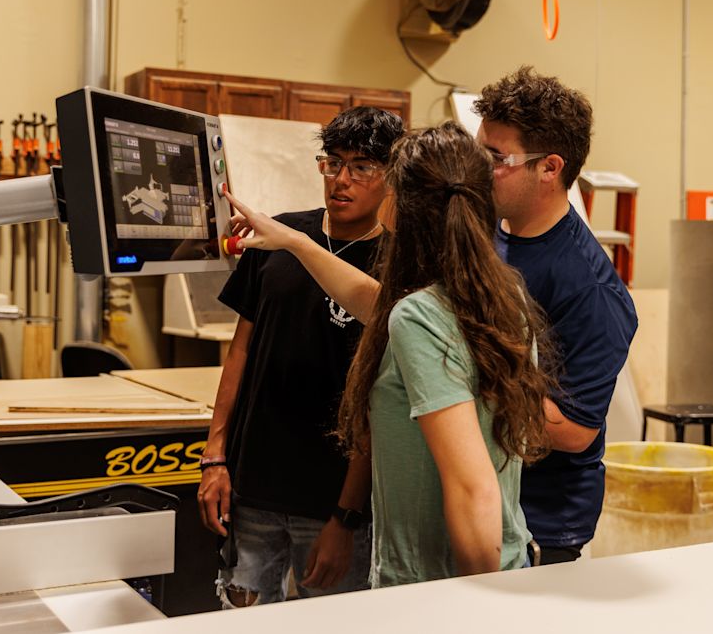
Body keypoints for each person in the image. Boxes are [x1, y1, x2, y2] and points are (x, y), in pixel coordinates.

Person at [223, 121, 553, 587]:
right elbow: (375, 302)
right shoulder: (498, 297)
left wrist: (480, 605)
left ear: (402, 204)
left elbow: (472, 488)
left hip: (436, 585)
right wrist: (294, 241)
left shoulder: (419, 317)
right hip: (507, 561)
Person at [196, 106, 402, 607]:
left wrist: (346, 517)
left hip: (331, 500)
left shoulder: (398, 264)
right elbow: (241, 350)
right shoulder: (277, 237)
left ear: (391, 176)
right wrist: (215, 456)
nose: (341, 180)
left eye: (361, 167)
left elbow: (378, 400)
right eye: (333, 163)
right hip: (253, 489)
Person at [472, 67, 638, 564]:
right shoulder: (486, 233)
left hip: (537, 526)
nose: (477, 170)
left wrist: (458, 386)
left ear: (549, 168)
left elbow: (572, 430)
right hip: (482, 499)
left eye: (496, 159)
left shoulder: (590, 288)